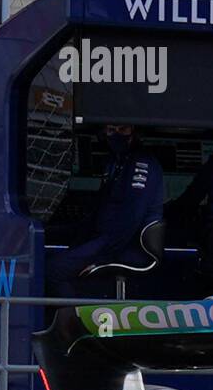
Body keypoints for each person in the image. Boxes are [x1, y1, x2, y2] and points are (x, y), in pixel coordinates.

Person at [45, 124, 164, 296]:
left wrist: (103, 259)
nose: (115, 135)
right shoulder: (116, 163)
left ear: (135, 132)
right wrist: (49, 232)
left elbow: (129, 220)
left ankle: (74, 322)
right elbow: (96, 215)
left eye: (122, 129)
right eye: (110, 130)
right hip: (107, 241)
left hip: (128, 247)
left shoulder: (142, 164)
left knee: (53, 270)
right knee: (51, 259)